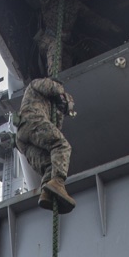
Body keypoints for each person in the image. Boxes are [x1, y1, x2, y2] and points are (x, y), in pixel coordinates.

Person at [37, 0, 120, 74]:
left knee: (68, 70)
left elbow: (93, 18)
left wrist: (111, 26)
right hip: (48, 40)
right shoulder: (49, 0)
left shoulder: (75, 4)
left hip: (65, 44)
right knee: (55, 47)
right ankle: (53, 79)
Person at [15, 80, 77, 214]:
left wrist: (61, 110)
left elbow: (55, 128)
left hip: (23, 139)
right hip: (32, 121)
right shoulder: (36, 85)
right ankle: (58, 182)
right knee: (61, 145)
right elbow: (52, 88)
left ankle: (47, 193)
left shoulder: (53, 108)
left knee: (49, 164)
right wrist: (61, 93)